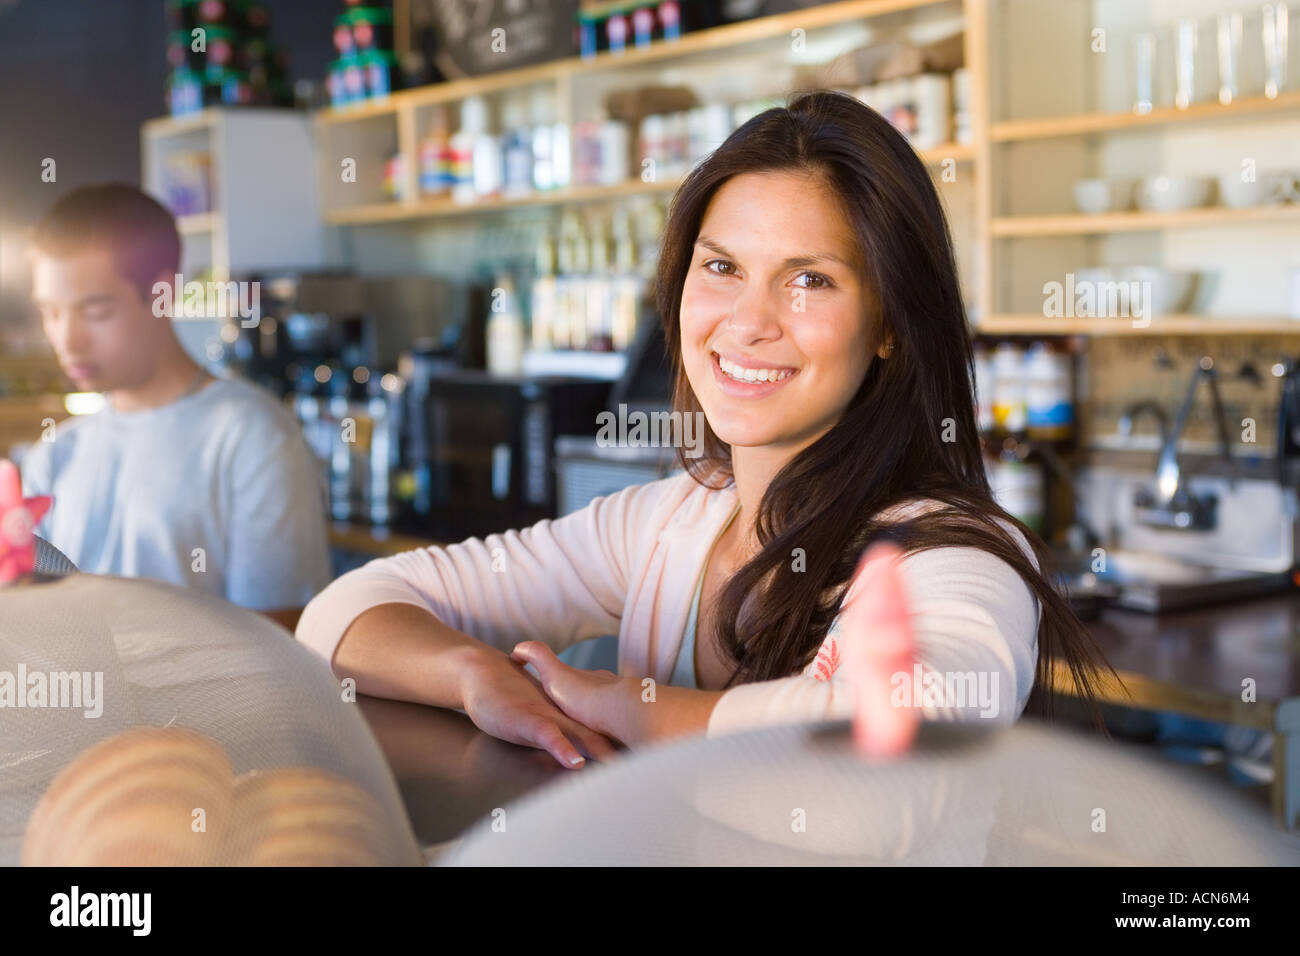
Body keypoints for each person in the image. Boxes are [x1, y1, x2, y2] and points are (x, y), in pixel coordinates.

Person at [295, 91, 1112, 767]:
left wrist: (648, 712)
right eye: (721, 267)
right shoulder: (667, 524)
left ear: (891, 324)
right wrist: (475, 675)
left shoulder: (952, 553)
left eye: (810, 280)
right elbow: (348, 609)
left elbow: (917, 725)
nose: (747, 322)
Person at [20, 184, 330, 628]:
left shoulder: (252, 437)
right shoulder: (56, 452)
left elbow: (280, 637)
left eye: (95, 311)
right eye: (51, 313)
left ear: (163, 295)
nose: (67, 341)